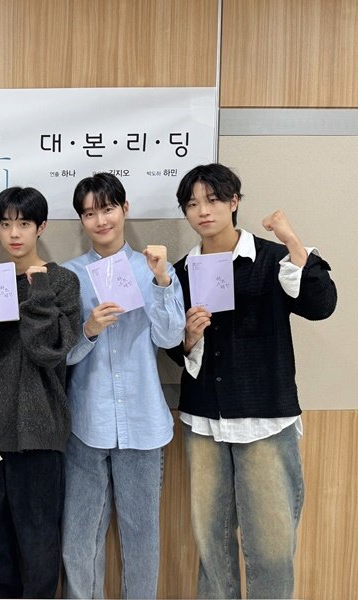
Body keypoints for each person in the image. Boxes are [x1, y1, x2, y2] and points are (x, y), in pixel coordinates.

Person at [167, 163, 337, 598]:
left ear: (234, 202)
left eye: (212, 200)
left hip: (264, 418)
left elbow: (321, 305)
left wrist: (293, 243)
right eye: (192, 204)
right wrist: (188, 339)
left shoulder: (273, 258)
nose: (203, 211)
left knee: (271, 547)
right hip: (204, 419)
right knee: (212, 545)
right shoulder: (182, 271)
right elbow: (171, 344)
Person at [61, 173, 185, 598]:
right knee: (79, 541)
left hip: (143, 422)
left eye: (108, 209)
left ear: (125, 209)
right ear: (82, 221)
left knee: (141, 539)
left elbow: (170, 338)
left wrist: (162, 280)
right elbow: (61, 356)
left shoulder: (153, 268)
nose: (101, 221)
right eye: (90, 213)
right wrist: (89, 329)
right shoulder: (70, 276)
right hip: (86, 423)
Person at [0, 186, 80, 598]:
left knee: (39, 549)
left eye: (23, 223)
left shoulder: (62, 282)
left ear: (41, 227)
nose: (13, 233)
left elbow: (49, 352)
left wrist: (37, 289)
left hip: (41, 435)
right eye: (5, 224)